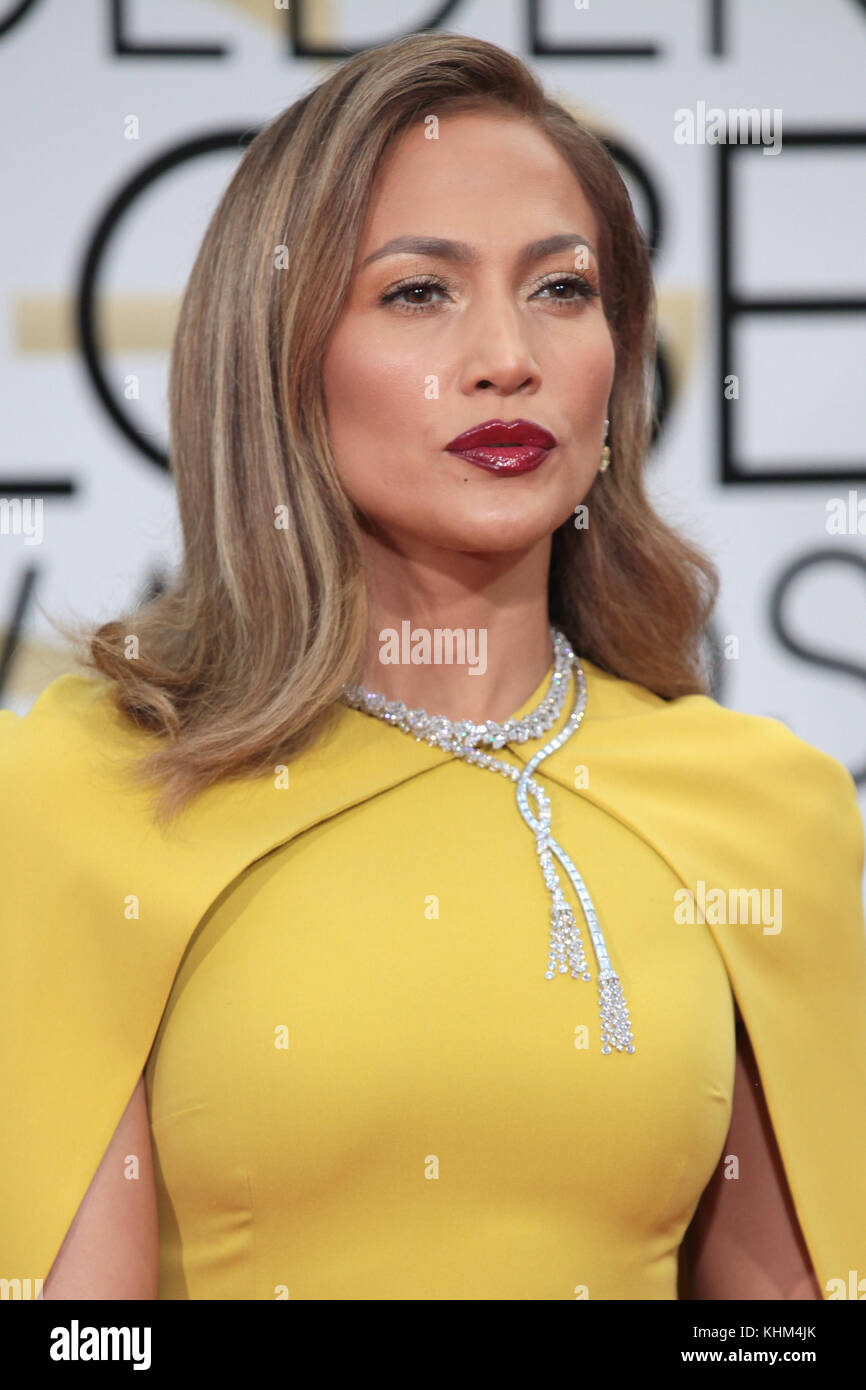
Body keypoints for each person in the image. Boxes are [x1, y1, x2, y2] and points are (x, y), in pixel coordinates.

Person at [2, 32, 865, 1303]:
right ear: (282, 353)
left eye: (561, 289)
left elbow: (782, 1321)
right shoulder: (92, 791)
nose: (504, 355)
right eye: (420, 292)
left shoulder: (758, 809)